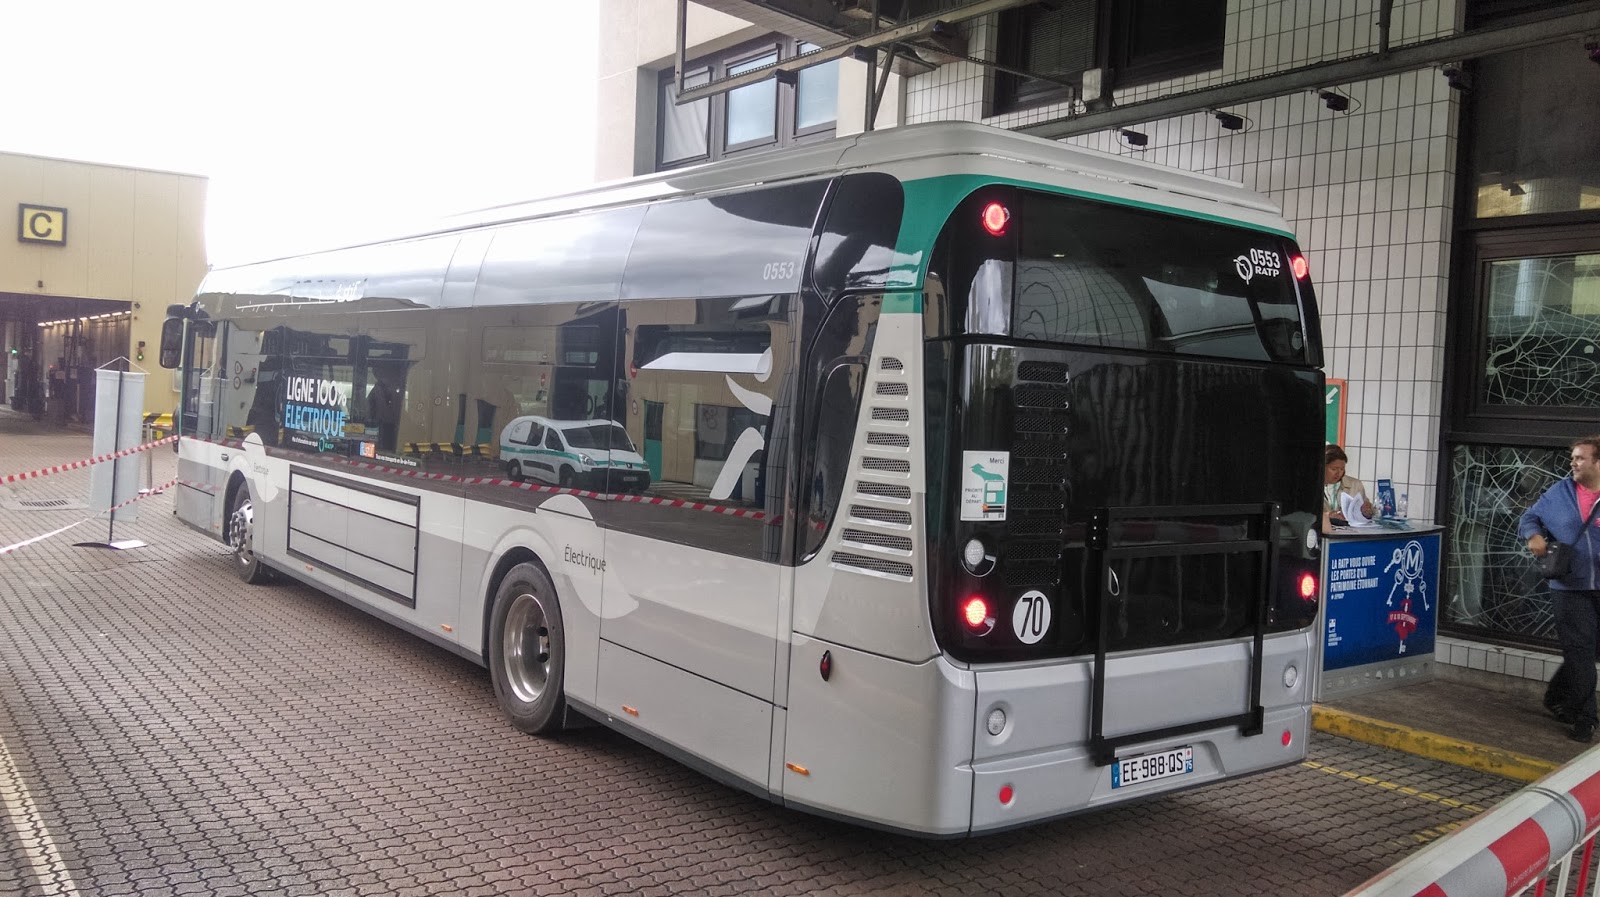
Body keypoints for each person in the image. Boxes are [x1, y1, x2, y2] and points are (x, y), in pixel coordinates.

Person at [1519, 436, 1600, 743]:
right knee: (1580, 652)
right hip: (1569, 586)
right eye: (1573, 458)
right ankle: (1585, 717)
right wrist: (1533, 536)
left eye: (1580, 458)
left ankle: (1556, 696)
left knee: (1588, 651)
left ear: (1597, 462)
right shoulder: (1560, 492)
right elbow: (1529, 517)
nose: (1573, 463)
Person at [1323, 444, 1374, 530]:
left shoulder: (1355, 484)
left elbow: (1368, 512)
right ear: (1323, 467)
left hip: (1350, 532)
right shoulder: (1310, 486)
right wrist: (1328, 515)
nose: (1338, 473)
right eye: (1334, 469)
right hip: (1323, 532)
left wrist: (1367, 511)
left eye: (1342, 469)